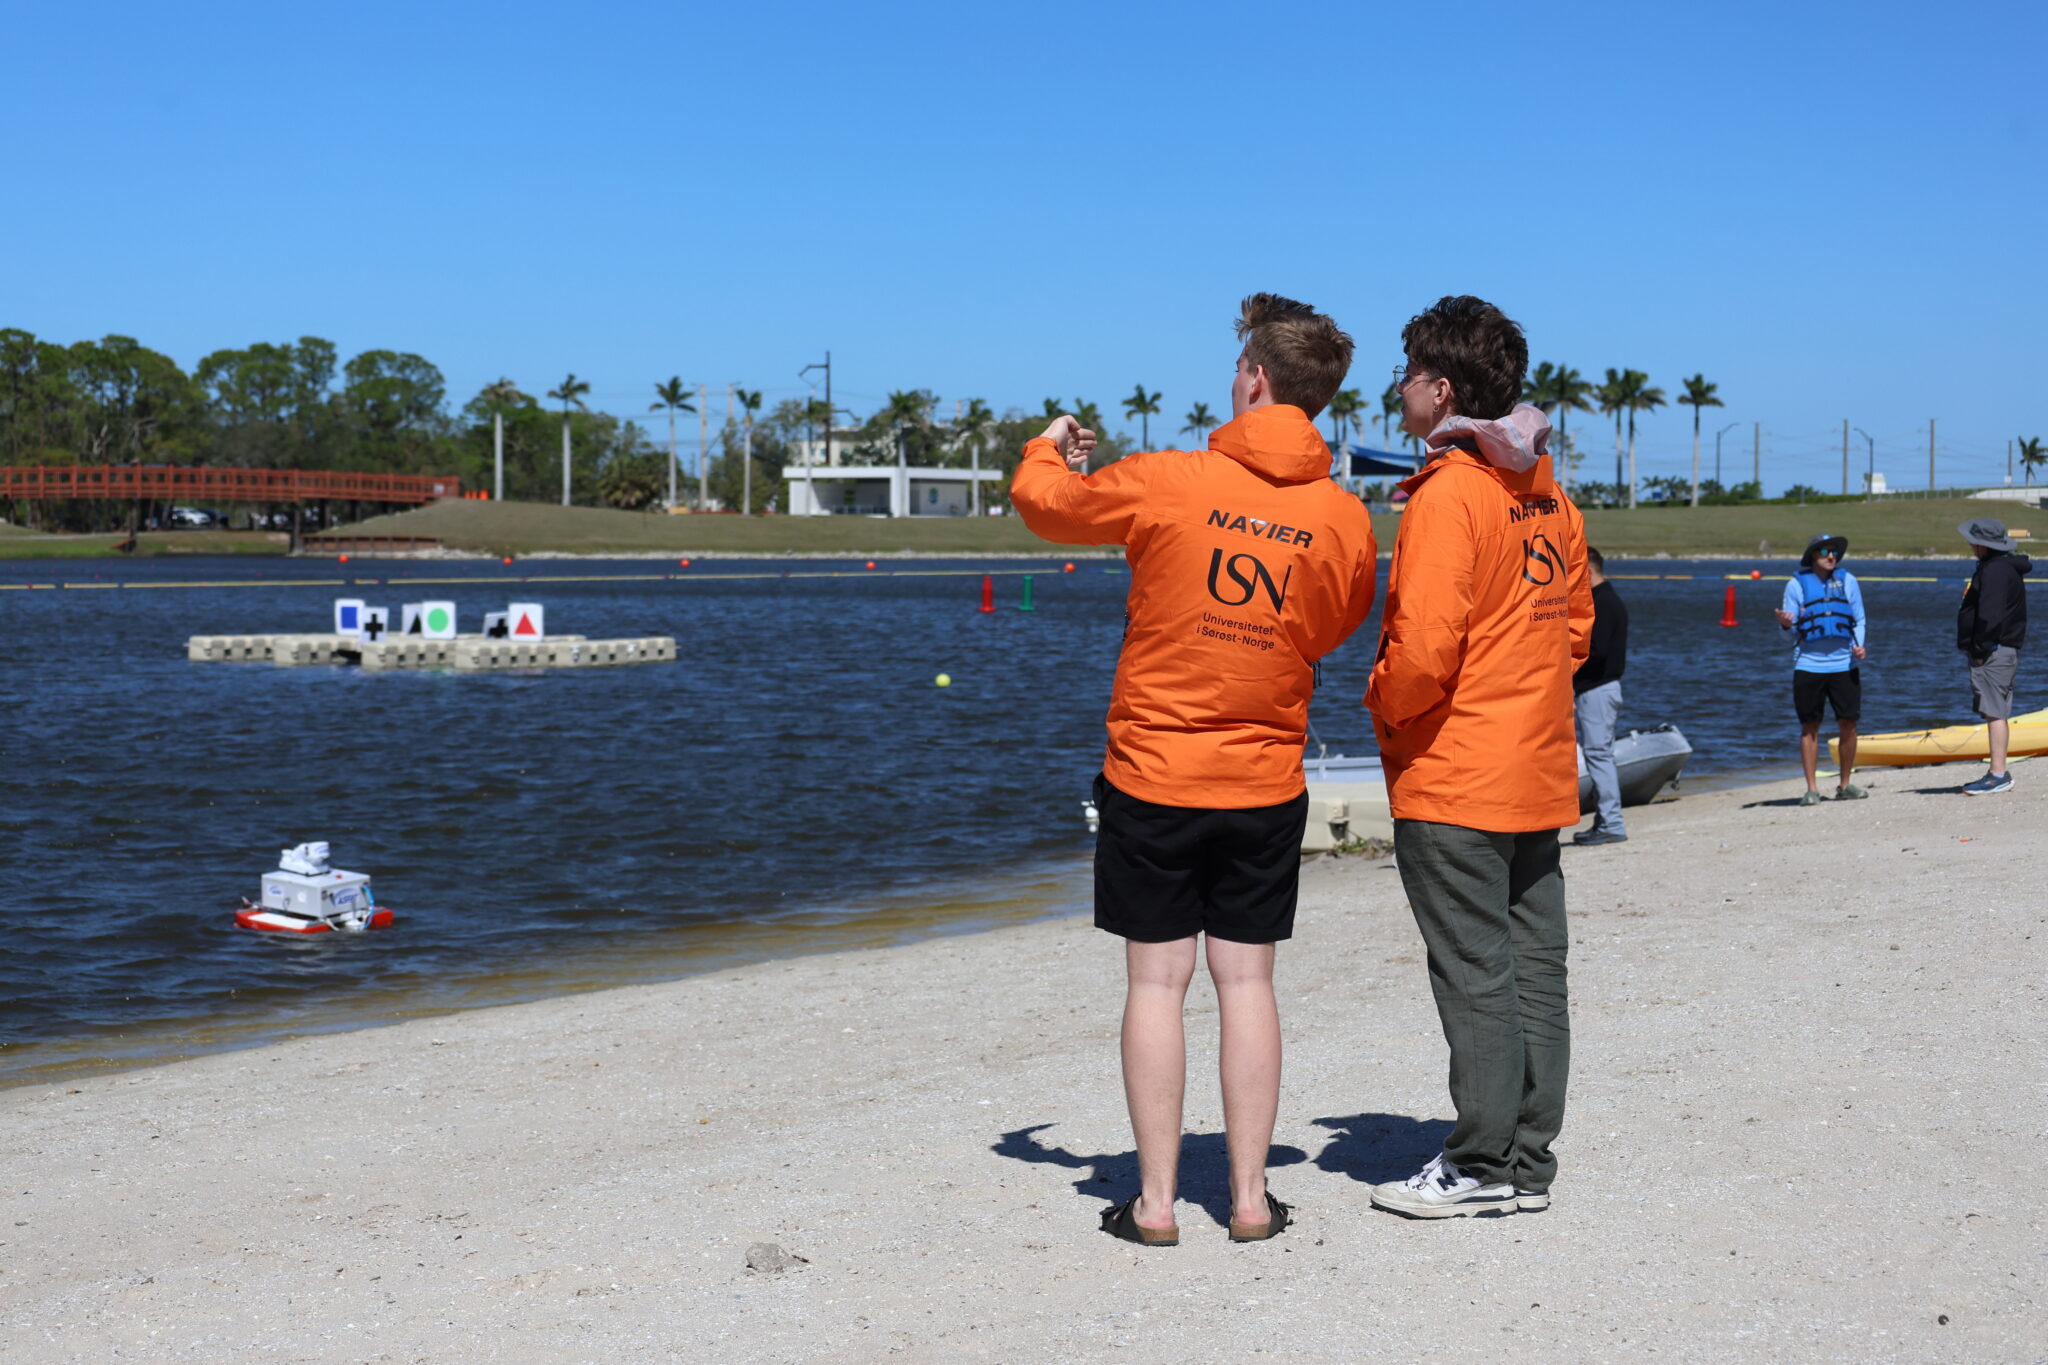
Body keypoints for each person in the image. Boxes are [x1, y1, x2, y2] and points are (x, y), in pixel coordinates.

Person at [1011, 294, 1377, 1245]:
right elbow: (1335, 624)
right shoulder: (1340, 515)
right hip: (1263, 780)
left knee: (1156, 984)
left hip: (1155, 774)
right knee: (1247, 983)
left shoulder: (1170, 479)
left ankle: (1158, 1203)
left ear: (1253, 376)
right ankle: (1251, 1200)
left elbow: (1045, 507)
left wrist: (1049, 446)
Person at [1363, 295, 1592, 1219]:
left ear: (1442, 388)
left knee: (1474, 969)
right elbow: (1575, 632)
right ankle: (1527, 1158)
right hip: (1535, 765)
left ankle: (1482, 1163)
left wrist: (1381, 706)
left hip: (1458, 773)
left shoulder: (1451, 491)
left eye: (1408, 374)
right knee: (1535, 965)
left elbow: (1422, 650)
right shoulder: (1547, 490)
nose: (1400, 389)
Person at [1773, 534, 1868, 804]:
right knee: (1809, 726)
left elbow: (1859, 618)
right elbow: (1788, 637)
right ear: (1813, 555)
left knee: (1848, 723)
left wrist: (1859, 645)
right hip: (1808, 665)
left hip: (1844, 664)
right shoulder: (1796, 585)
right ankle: (1812, 789)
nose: (1831, 556)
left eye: (1835, 552)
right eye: (1825, 551)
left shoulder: (1848, 581)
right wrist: (1785, 624)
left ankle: (1845, 784)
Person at [1956, 517, 2032, 795]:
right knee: (1995, 709)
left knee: (1994, 711)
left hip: (1994, 651)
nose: (1971, 546)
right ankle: (1997, 771)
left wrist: (1979, 649)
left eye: (1974, 542)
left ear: (1983, 545)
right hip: (2000, 649)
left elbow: (1990, 614)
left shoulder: (1995, 571)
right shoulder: (2001, 567)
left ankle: (1998, 773)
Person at [1571, 546, 1629, 845]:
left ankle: (1612, 822)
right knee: (1599, 753)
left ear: (1588, 571)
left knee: (1598, 754)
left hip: (1598, 689)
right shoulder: (1608, 599)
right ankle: (1605, 820)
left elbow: (1597, 652)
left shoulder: (1603, 603)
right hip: (1599, 688)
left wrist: (1564, 658)